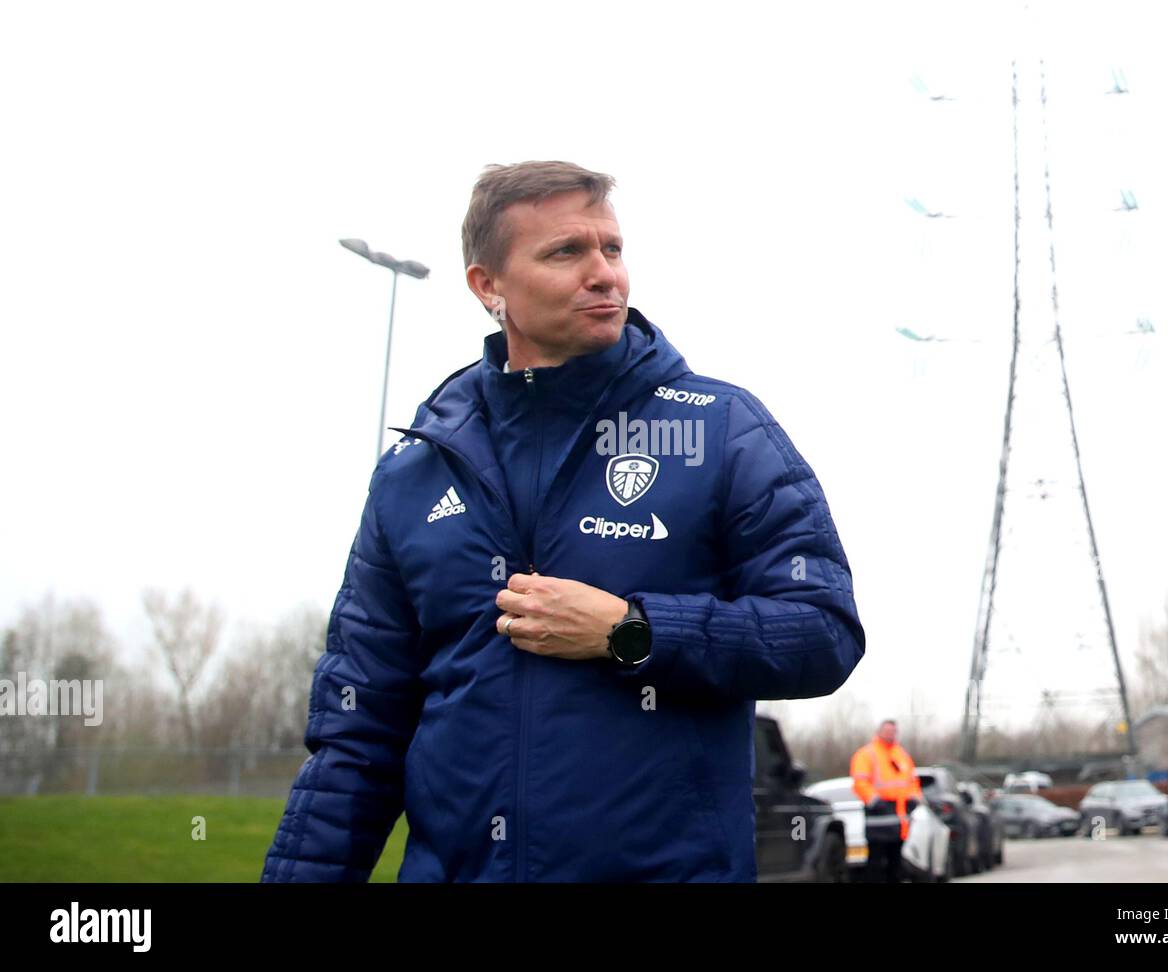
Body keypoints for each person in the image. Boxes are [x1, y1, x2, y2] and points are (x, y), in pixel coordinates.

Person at [261, 160, 865, 882]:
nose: (604, 273)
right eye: (566, 252)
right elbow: (358, 738)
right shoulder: (415, 472)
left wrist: (631, 632)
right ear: (489, 287)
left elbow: (822, 631)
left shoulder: (722, 431)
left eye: (611, 248)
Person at [850, 719, 921, 883]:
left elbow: (913, 782)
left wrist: (914, 799)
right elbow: (860, 781)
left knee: (895, 865)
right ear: (879, 731)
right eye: (887, 731)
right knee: (875, 863)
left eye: (893, 731)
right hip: (878, 819)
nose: (890, 734)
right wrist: (874, 800)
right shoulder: (867, 754)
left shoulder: (902, 755)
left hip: (899, 823)